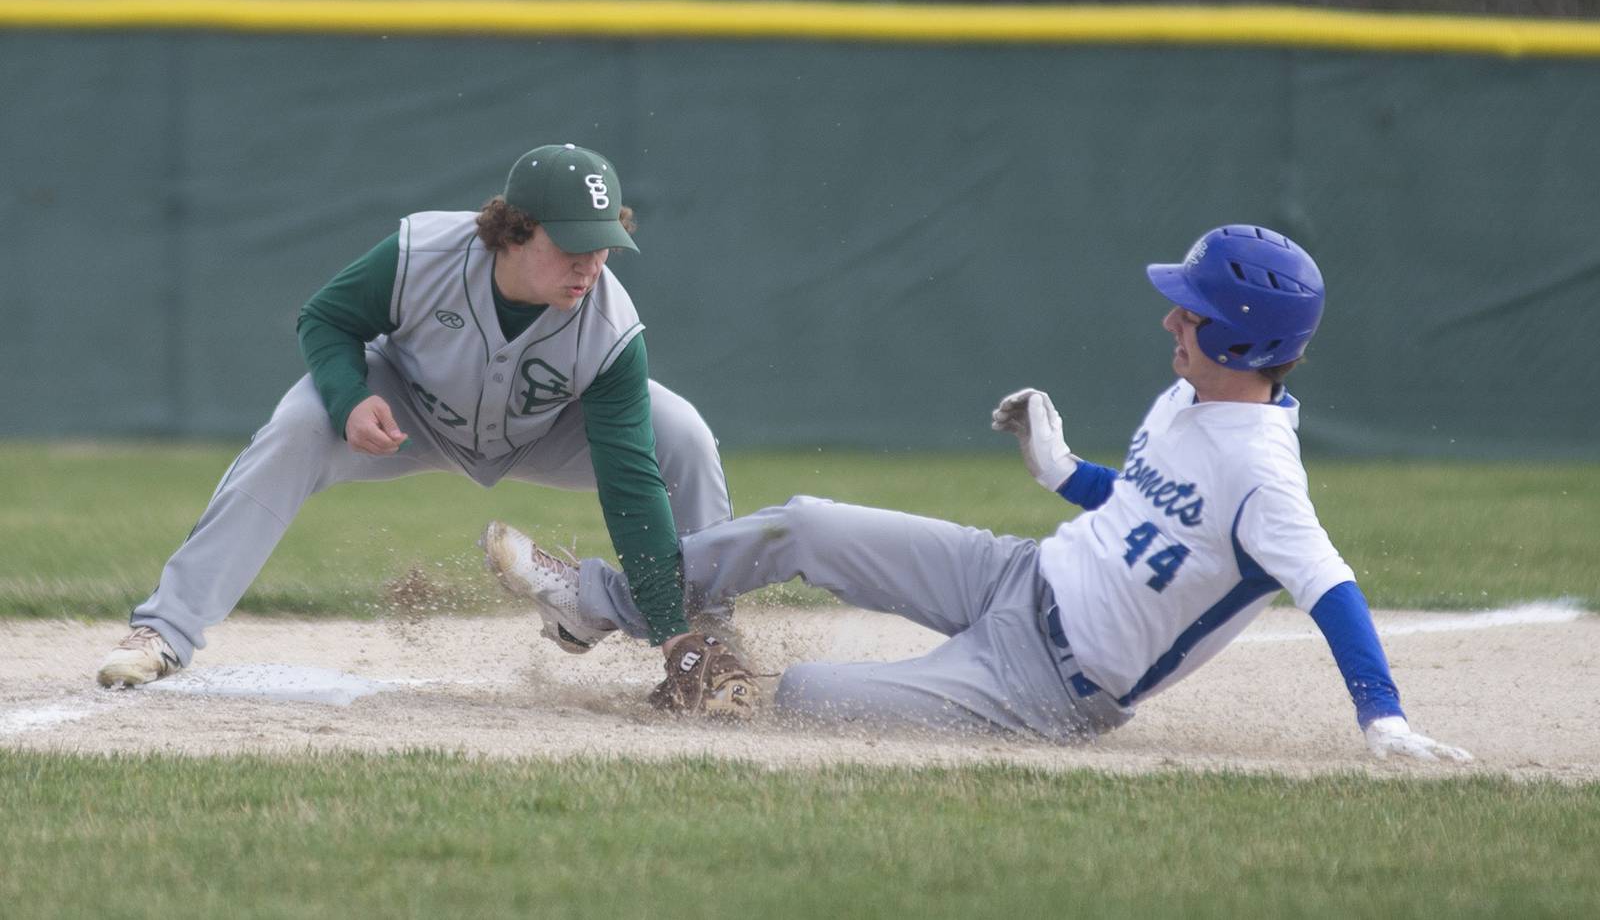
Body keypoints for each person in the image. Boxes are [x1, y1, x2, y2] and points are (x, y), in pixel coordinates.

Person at [485, 223, 1472, 759]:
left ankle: (704, 698)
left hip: (1045, 686)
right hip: (1015, 574)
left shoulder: (1267, 479)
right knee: (804, 525)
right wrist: (1059, 474)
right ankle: (593, 605)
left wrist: (1380, 717)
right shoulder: (1186, 402)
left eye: (1196, 311)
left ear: (1245, 343)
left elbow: (1332, 590)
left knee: (803, 700)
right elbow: (1145, 512)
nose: (1174, 320)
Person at [98, 143, 742, 699]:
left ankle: (710, 634)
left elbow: (631, 486)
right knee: (293, 431)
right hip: (405, 407)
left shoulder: (609, 328)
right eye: (573, 243)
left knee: (681, 434)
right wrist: (349, 398)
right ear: (516, 230)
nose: (591, 264)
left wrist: (671, 635)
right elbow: (327, 318)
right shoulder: (421, 252)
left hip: (545, 430)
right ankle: (166, 630)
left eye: (603, 244)